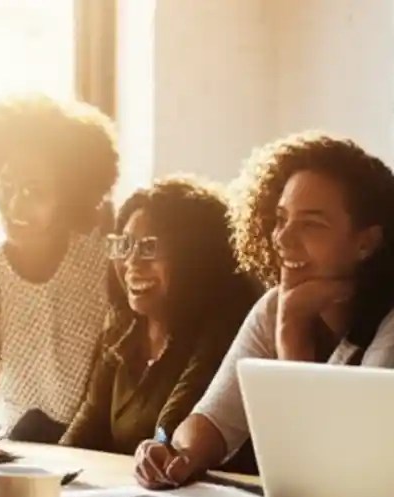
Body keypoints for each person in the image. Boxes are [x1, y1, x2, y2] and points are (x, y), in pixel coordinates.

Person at [135, 133, 394, 488]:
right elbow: (210, 423)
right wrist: (173, 455)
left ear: (366, 243)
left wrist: (292, 335)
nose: (282, 238)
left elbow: (336, 473)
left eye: (310, 224)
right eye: (280, 219)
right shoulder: (277, 305)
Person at [0, 93, 119, 442]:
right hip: (21, 444)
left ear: (68, 194)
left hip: (100, 438)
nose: (15, 205)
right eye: (6, 188)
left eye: (34, 191)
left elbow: (156, 253)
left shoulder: (103, 257)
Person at [60, 176, 261, 454]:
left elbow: (170, 432)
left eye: (149, 247)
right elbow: (81, 435)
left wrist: (158, 453)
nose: (131, 261)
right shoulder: (121, 333)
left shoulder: (225, 328)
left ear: (195, 257)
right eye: (125, 245)